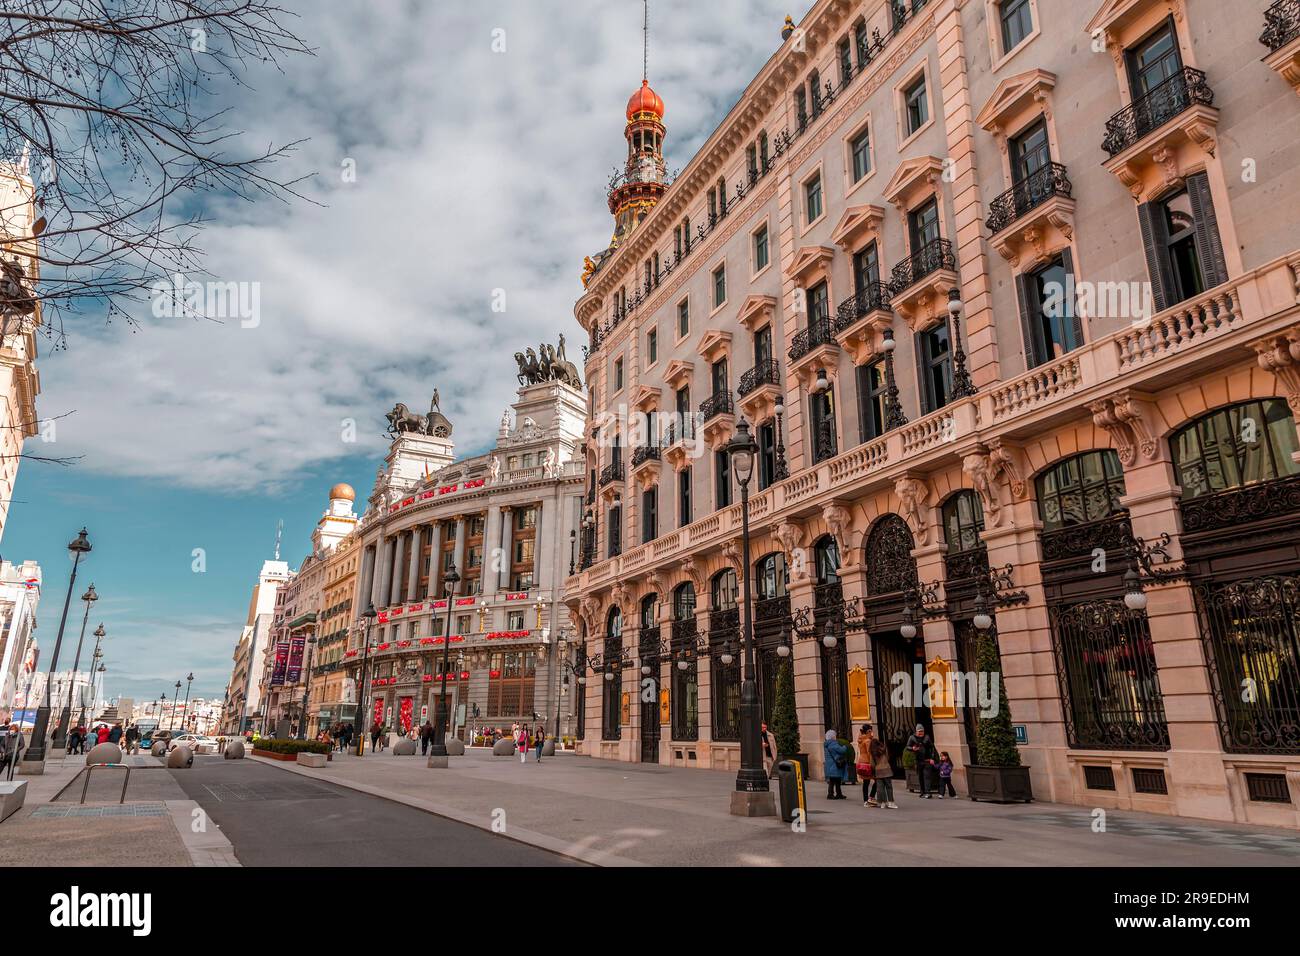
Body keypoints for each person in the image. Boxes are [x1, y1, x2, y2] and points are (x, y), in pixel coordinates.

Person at [906, 723, 937, 798]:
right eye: (919, 731)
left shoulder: (927, 737)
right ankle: (922, 792)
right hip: (918, 760)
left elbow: (932, 748)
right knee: (920, 776)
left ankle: (928, 792)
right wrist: (912, 748)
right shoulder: (912, 738)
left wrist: (932, 758)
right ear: (916, 732)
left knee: (927, 776)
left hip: (927, 760)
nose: (921, 733)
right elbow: (907, 746)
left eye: (922, 731)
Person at [871, 730, 897, 809]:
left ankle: (882, 802)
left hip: (878, 771)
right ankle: (891, 802)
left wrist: (874, 770)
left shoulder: (873, 752)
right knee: (889, 787)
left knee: (880, 788)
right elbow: (888, 757)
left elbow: (872, 764)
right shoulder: (884, 749)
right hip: (886, 769)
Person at [856, 724, 877, 807]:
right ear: (869, 731)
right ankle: (871, 797)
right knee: (877, 780)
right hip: (867, 762)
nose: (872, 732)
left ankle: (865, 800)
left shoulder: (861, 739)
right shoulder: (868, 741)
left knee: (866, 782)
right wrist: (874, 763)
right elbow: (869, 753)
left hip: (861, 762)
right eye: (871, 730)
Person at [823, 730, 848, 800]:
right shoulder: (833, 744)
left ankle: (838, 793)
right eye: (835, 735)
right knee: (834, 781)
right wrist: (845, 747)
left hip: (830, 765)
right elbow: (841, 750)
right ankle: (831, 794)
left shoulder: (827, 744)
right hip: (835, 765)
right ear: (832, 736)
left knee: (835, 780)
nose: (835, 737)